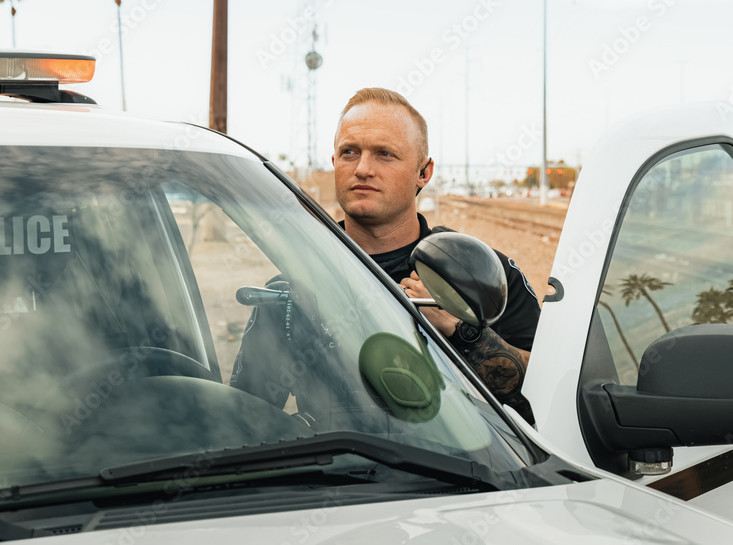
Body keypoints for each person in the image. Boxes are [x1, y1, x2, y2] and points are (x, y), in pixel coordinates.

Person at [231, 88, 541, 421]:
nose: (363, 168)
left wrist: (460, 329)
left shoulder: (481, 271)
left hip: (464, 470)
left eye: (384, 154)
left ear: (424, 172)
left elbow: (543, 393)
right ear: (335, 163)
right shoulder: (292, 289)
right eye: (349, 152)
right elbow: (246, 418)